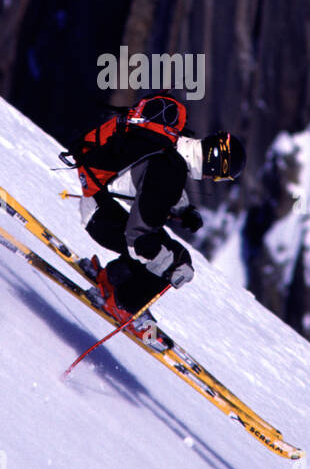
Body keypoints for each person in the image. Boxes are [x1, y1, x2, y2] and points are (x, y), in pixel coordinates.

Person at [60, 94, 246, 319]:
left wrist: (183, 210)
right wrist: (163, 261)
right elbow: (137, 238)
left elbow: (150, 183)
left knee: (162, 248)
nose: (213, 180)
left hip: (98, 205)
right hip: (102, 218)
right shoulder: (171, 168)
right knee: (178, 263)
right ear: (217, 167)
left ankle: (111, 280)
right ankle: (123, 306)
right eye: (220, 177)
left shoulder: (172, 147)